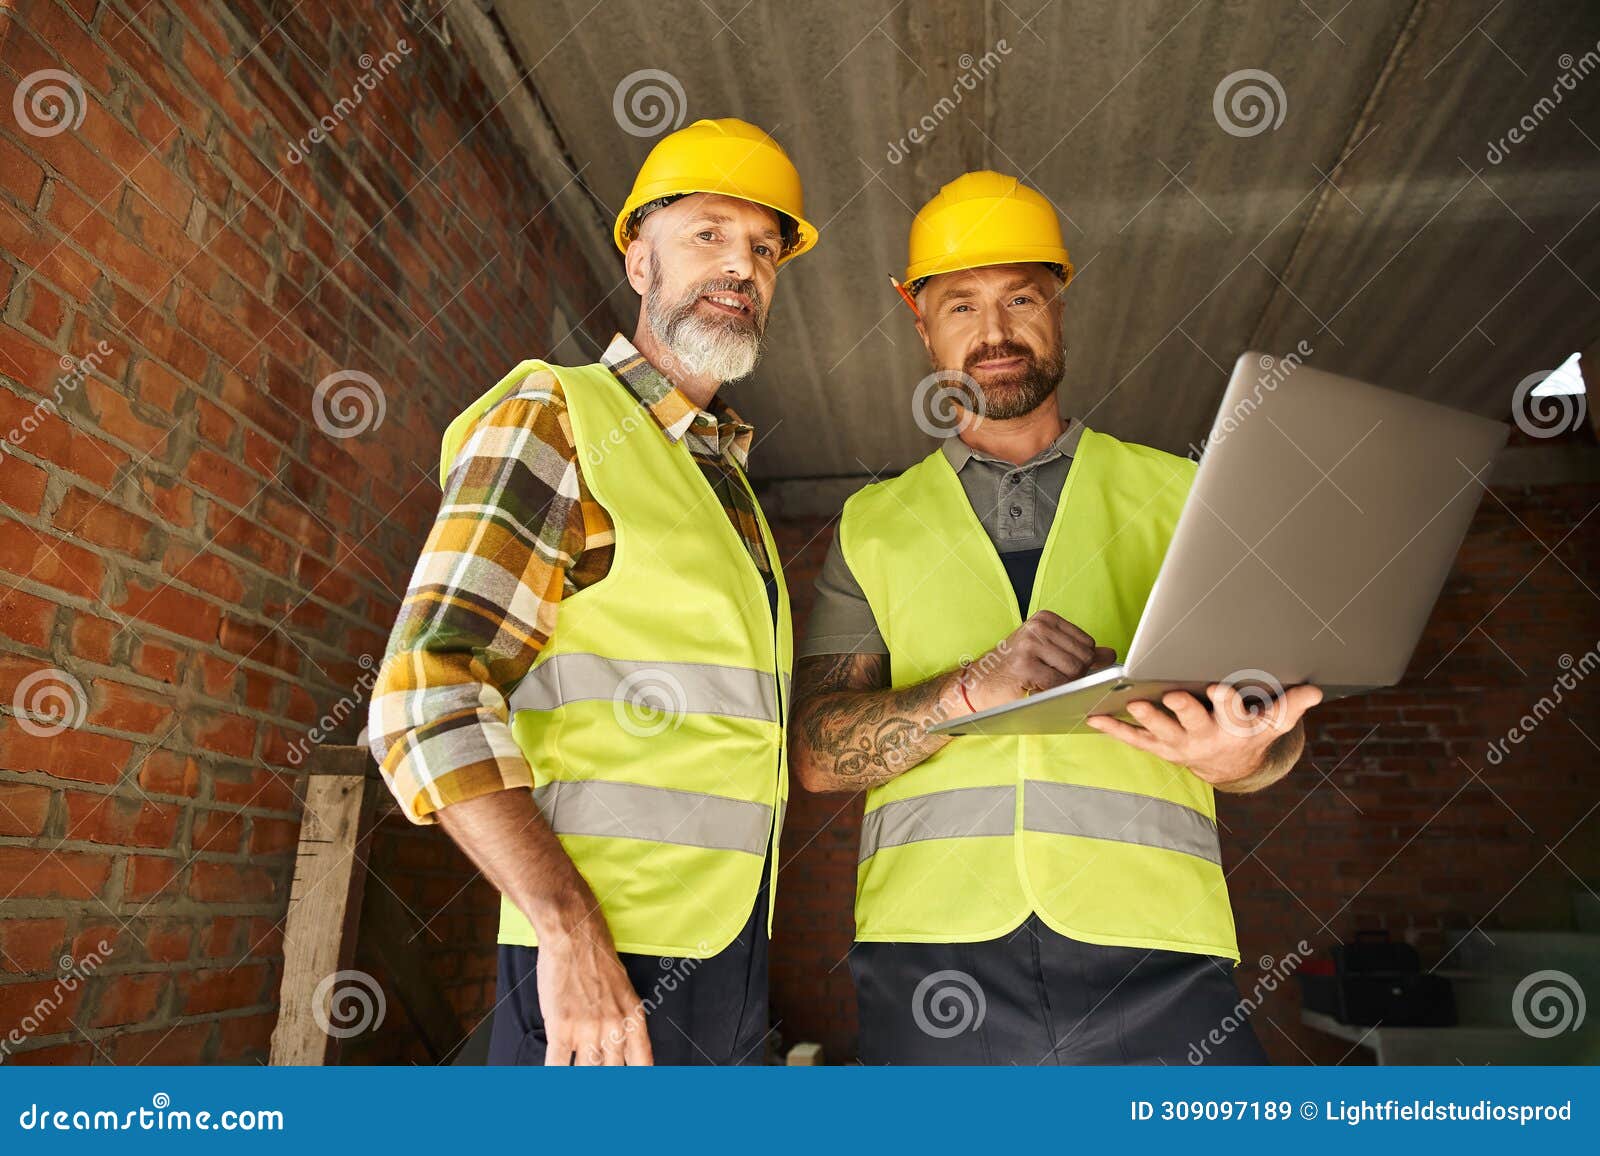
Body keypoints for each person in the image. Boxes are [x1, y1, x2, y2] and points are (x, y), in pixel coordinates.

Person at [789, 171, 1321, 1065]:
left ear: (1060, 307)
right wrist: (966, 694)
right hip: (932, 952)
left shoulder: (1186, 496)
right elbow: (816, 754)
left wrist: (1245, 758)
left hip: (1158, 943)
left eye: (1021, 298)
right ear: (920, 322)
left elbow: (1270, 719)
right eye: (960, 305)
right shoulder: (871, 526)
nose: (993, 333)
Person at [370, 119, 819, 1065]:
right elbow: (427, 692)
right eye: (708, 233)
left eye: (765, 250)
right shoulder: (558, 416)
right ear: (639, 260)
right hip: (601, 957)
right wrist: (568, 931)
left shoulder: (724, 476)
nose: (741, 266)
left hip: (725, 949)